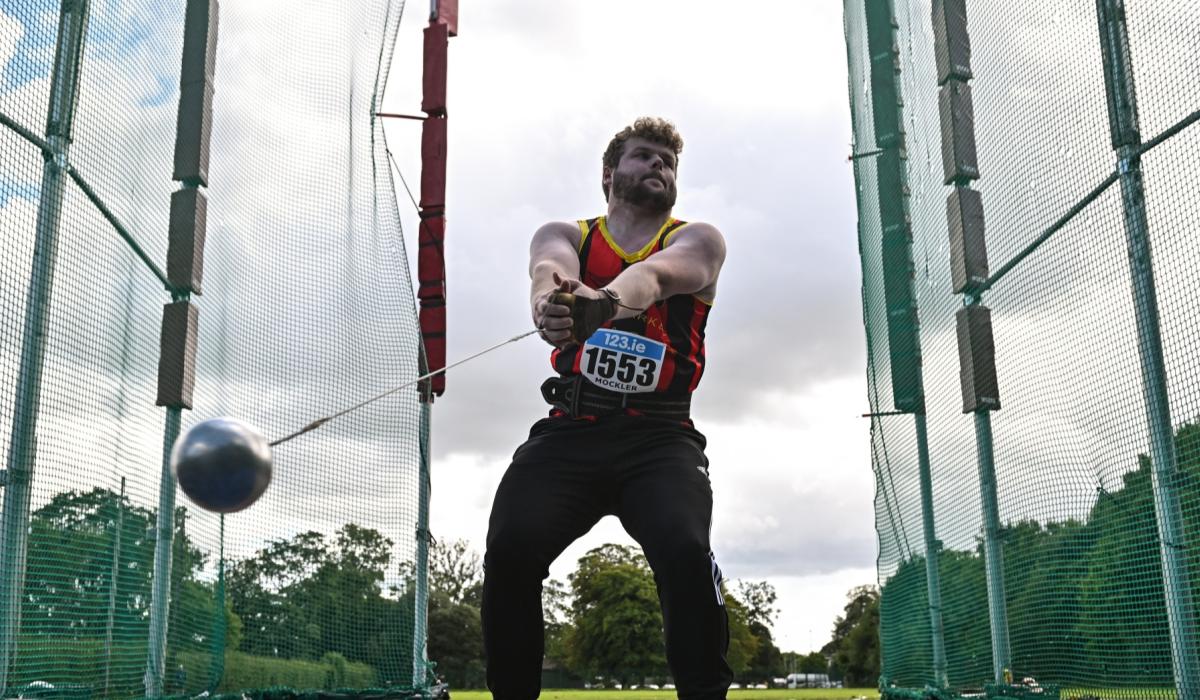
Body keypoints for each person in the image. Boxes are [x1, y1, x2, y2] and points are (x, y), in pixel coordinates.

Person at [481, 117, 732, 700]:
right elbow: (547, 268)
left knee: (684, 548)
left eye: (667, 162)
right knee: (510, 546)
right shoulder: (567, 233)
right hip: (572, 429)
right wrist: (549, 304)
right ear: (608, 173)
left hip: (660, 438)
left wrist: (608, 301)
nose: (658, 168)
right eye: (644, 157)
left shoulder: (696, 238)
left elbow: (659, 276)